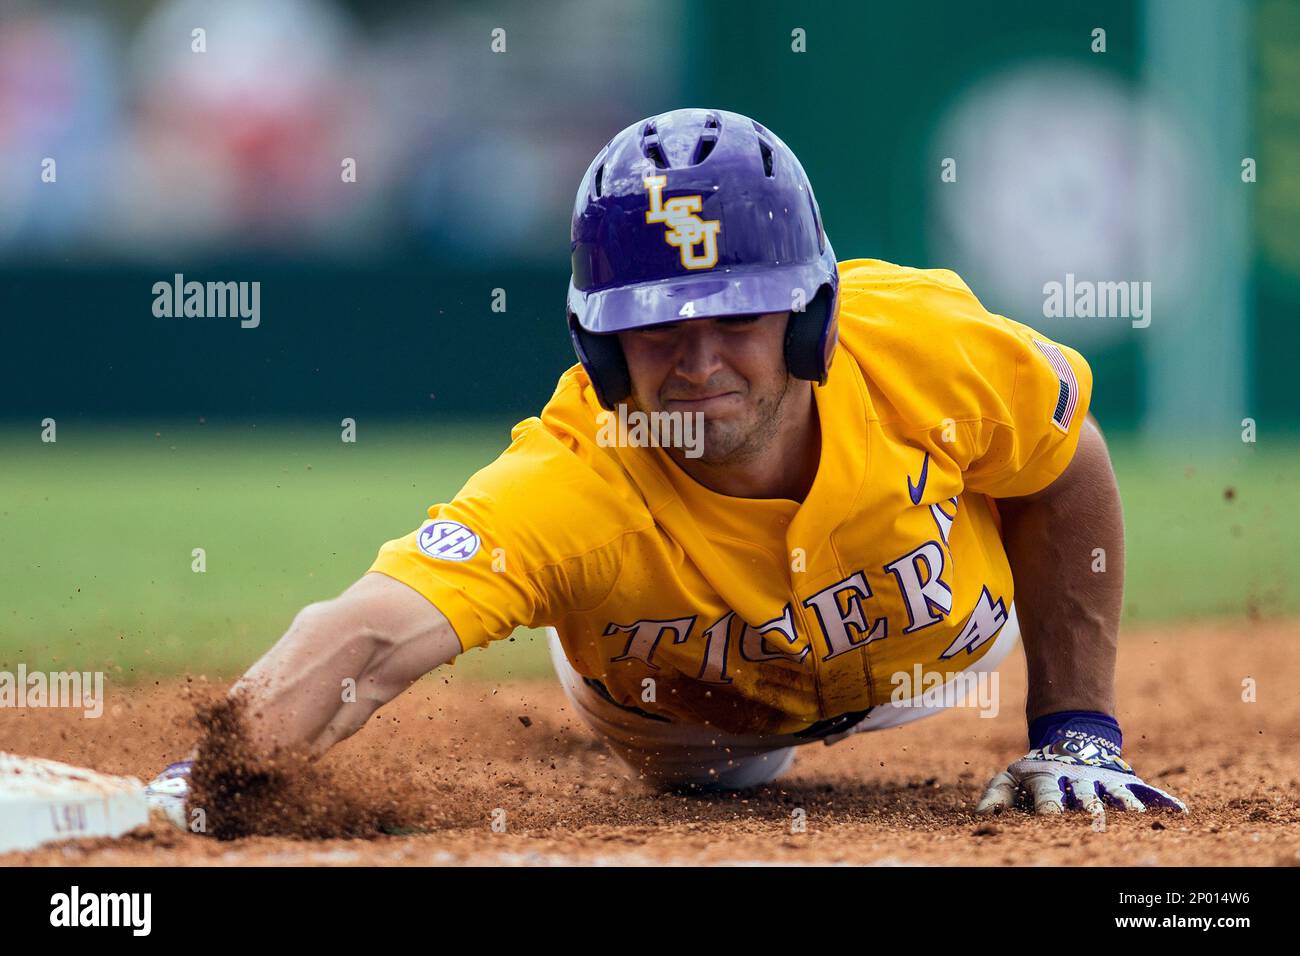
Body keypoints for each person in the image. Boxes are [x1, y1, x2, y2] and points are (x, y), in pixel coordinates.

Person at [146, 108, 1186, 828]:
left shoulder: (924, 344)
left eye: (736, 315)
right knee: (722, 784)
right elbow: (368, 635)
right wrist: (200, 777)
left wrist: (1077, 729)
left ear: (810, 313)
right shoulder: (575, 482)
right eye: (652, 329)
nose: (698, 361)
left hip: (946, 647)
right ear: (597, 346)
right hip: (694, 728)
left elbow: (1066, 460)